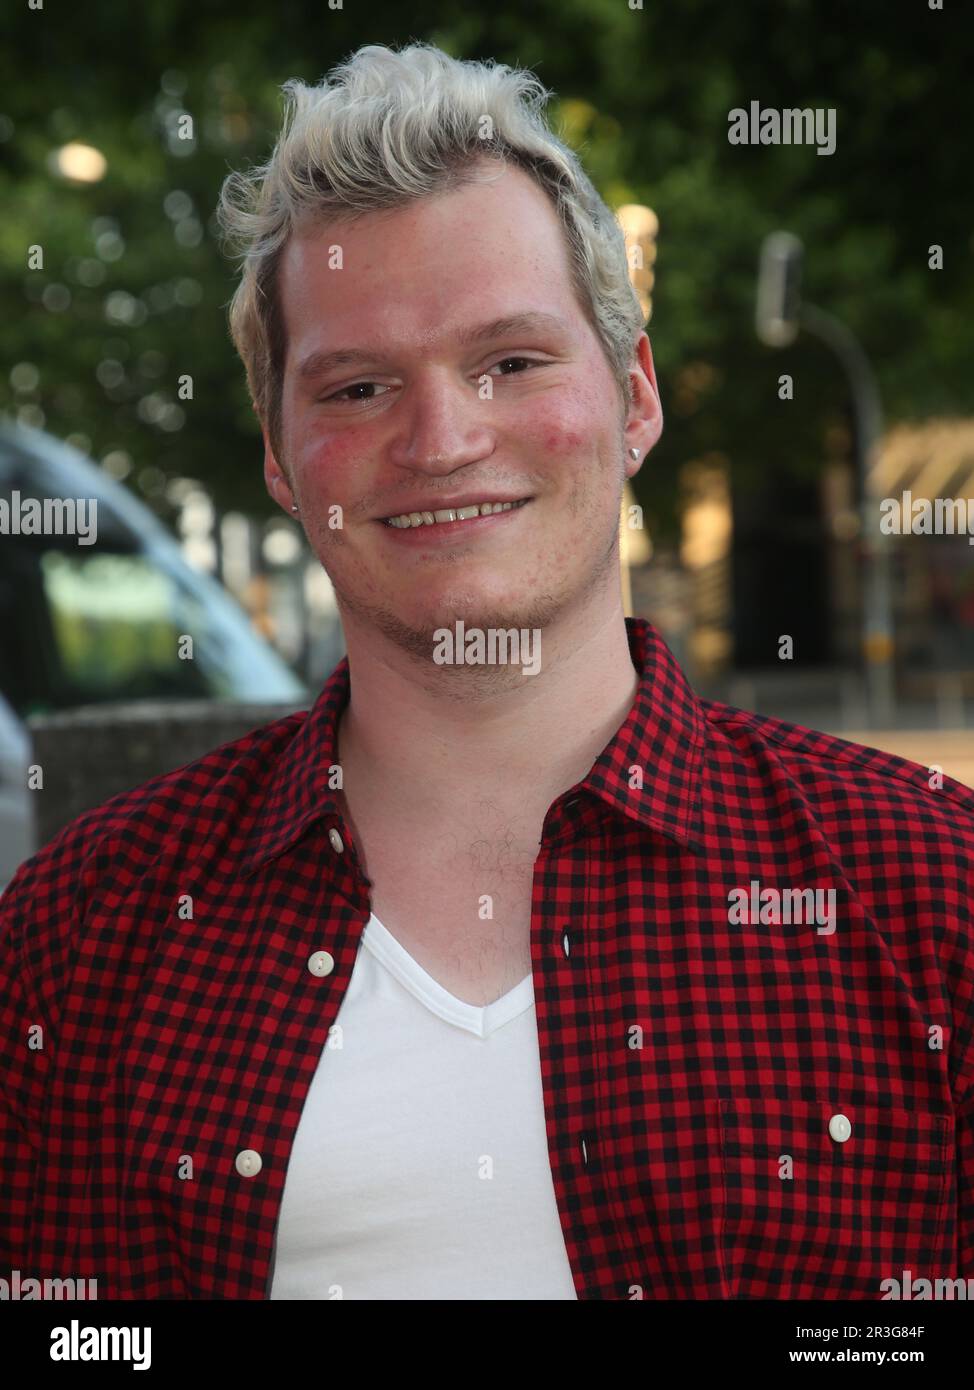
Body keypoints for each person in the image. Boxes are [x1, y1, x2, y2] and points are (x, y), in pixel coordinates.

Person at [2, 41, 972, 1302]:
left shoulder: (933, 901)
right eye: (356, 386)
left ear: (632, 400)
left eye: (510, 362)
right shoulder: (78, 937)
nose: (442, 440)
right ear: (284, 462)